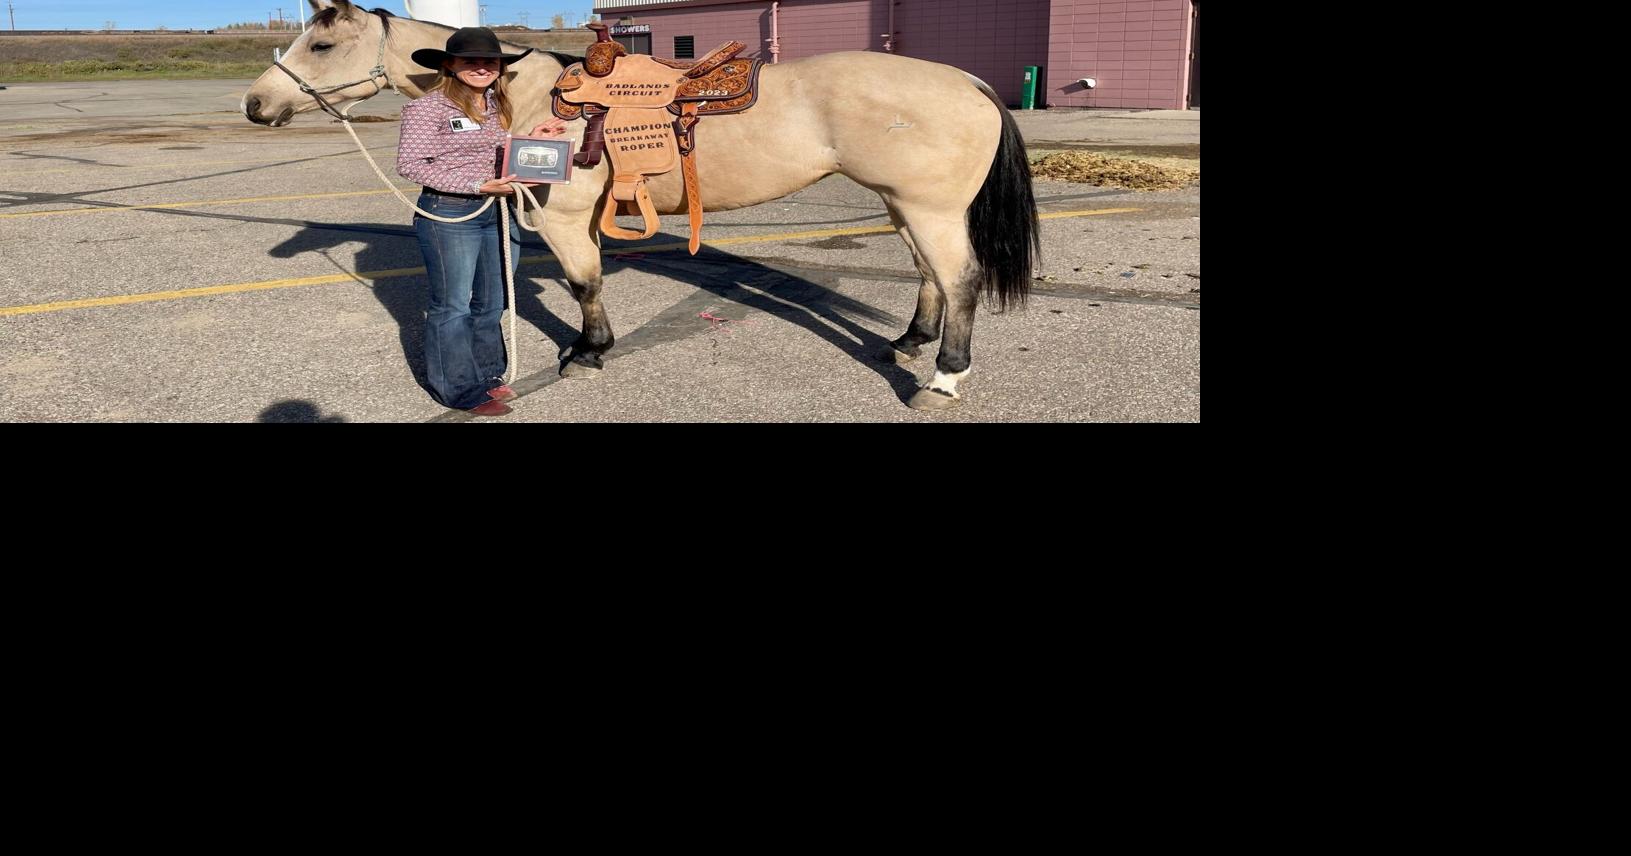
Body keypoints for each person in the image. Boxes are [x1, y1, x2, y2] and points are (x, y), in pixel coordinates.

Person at [397, 27, 568, 416]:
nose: (481, 67)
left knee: (493, 300)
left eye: (489, 61)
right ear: (449, 65)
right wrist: (476, 184)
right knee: (453, 305)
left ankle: (487, 375)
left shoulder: (492, 104)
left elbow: (491, 149)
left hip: (496, 209)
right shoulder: (428, 108)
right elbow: (410, 164)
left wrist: (532, 137)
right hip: (449, 212)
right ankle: (457, 389)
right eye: (469, 61)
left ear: (498, 68)